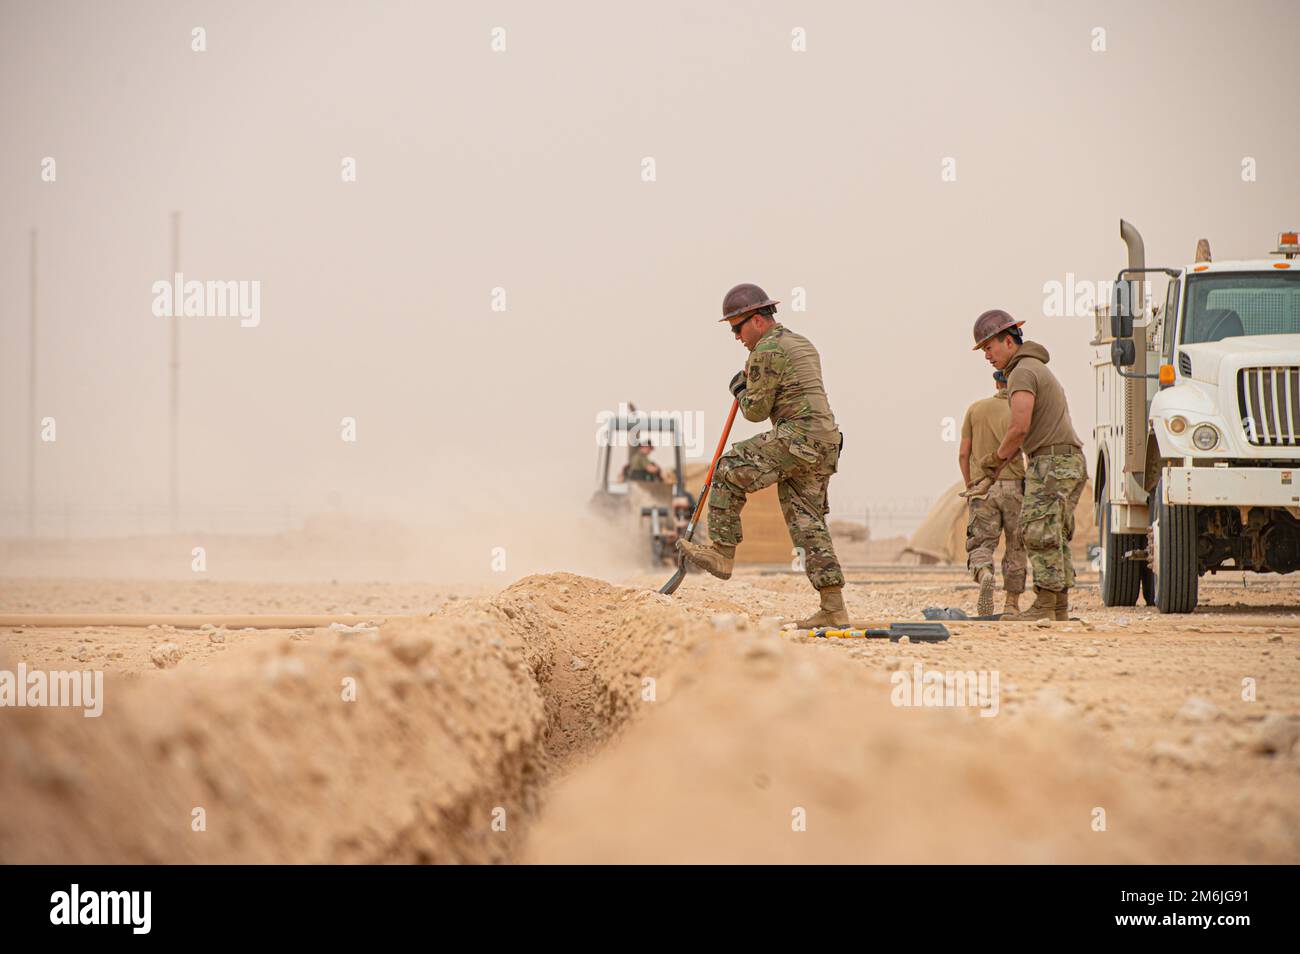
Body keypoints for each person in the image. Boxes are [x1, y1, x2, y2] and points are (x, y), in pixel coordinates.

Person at [677, 283, 848, 628]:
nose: (736, 337)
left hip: (798, 437)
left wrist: (740, 388)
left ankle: (722, 553)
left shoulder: (766, 350)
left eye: (737, 328)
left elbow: (755, 411)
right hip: (825, 441)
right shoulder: (802, 343)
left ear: (757, 320)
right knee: (807, 522)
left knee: (727, 468)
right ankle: (833, 608)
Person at [971, 309, 1085, 622]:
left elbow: (1019, 427)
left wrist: (993, 463)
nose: (987, 356)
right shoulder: (1033, 367)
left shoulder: (1021, 372)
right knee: (1052, 531)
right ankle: (1057, 606)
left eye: (989, 348)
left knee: (1038, 531)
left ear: (1009, 341)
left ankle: (1045, 606)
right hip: (1064, 460)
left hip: (1051, 462)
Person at [959, 370, 1026, 615]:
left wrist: (971, 486)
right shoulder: (1021, 413)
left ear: (996, 383)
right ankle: (1011, 604)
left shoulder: (975, 410)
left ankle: (985, 572)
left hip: (983, 487)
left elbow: (963, 454)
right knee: (1016, 546)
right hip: (1014, 486)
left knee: (980, 543)